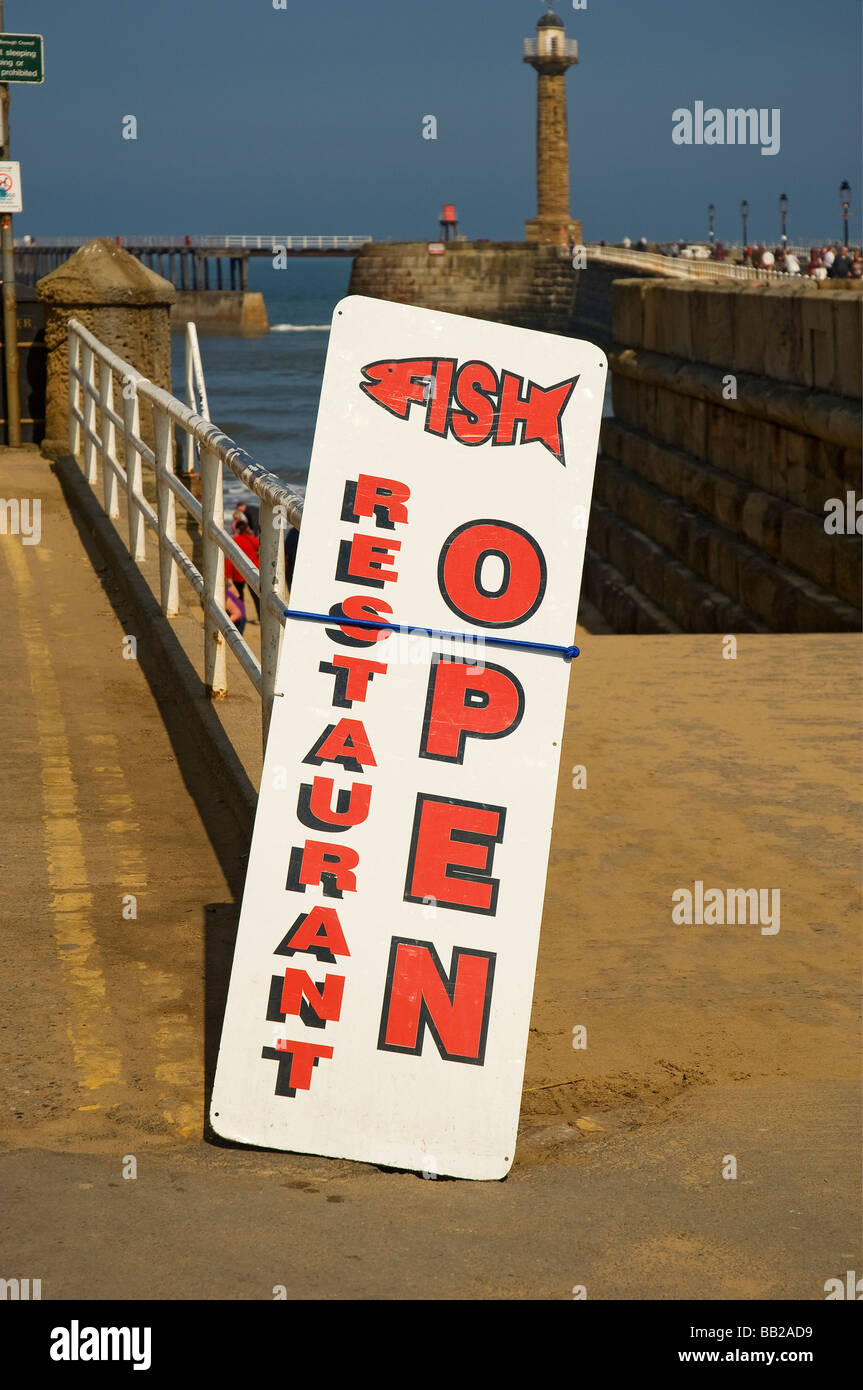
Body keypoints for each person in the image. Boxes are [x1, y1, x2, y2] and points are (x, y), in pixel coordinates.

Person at [226, 514, 261, 618]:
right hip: (253, 571)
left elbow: (229, 559)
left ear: (236, 529)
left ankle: (241, 616)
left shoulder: (234, 541)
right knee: (257, 597)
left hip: (238, 572)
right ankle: (260, 617)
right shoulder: (252, 539)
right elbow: (263, 549)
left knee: (239, 597)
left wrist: (227, 574)